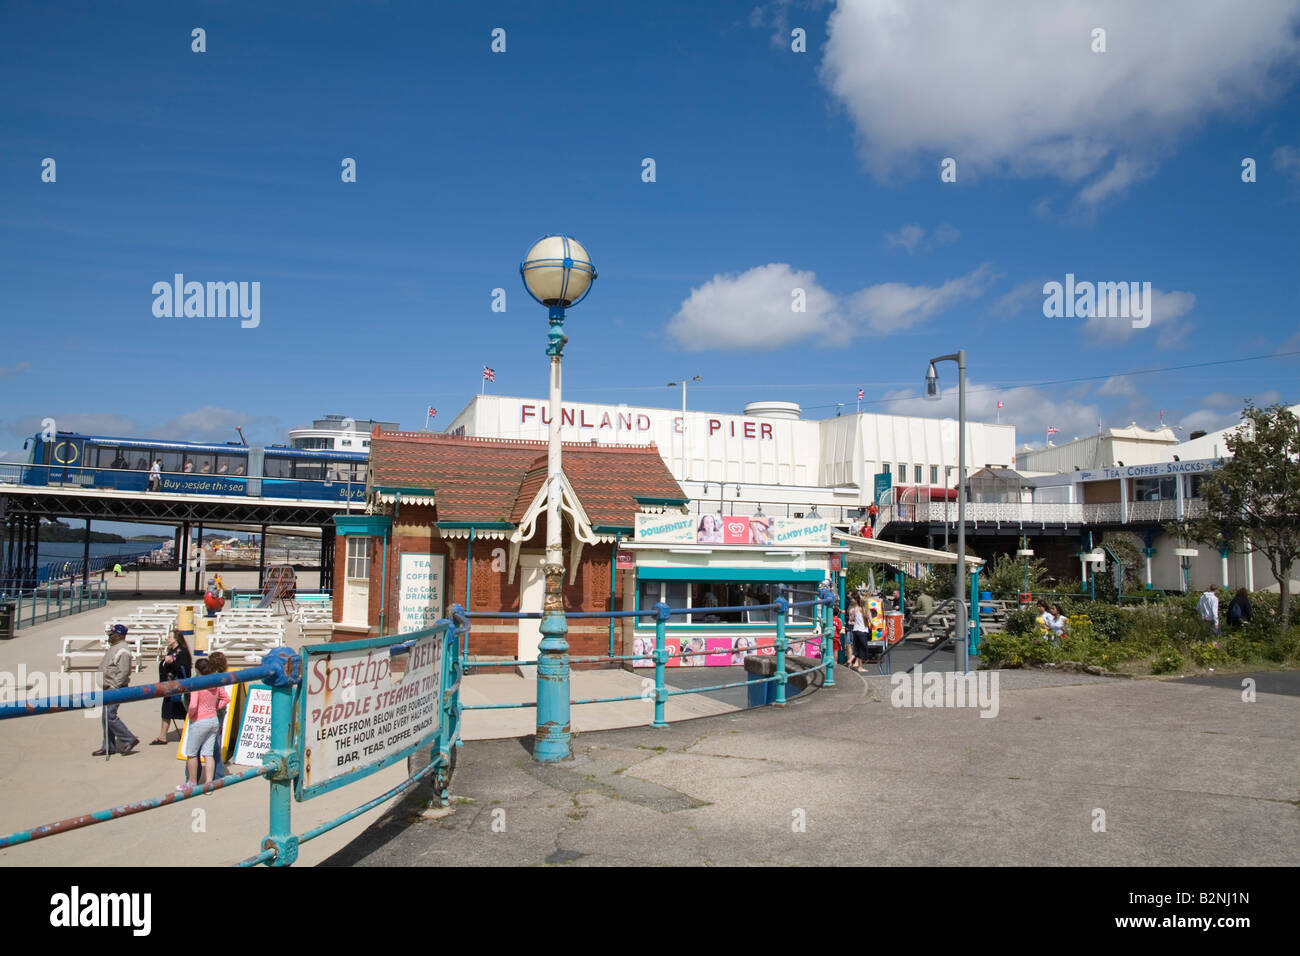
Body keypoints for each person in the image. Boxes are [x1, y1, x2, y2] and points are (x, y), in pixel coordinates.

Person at [179, 658, 229, 792]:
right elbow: (226, 698)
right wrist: (216, 707)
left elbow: (193, 704)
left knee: (192, 753)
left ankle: (192, 782)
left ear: (197, 670)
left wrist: (191, 714)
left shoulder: (197, 684)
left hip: (200, 720)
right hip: (213, 719)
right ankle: (209, 784)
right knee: (208, 754)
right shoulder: (215, 683)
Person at [93, 625, 139, 757]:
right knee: (105, 717)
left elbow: (124, 671)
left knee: (110, 716)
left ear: (119, 635)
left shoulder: (123, 650)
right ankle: (108, 746)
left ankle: (129, 739)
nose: (109, 636)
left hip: (115, 689)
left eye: (112, 634)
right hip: (108, 688)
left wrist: (115, 686)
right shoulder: (115, 647)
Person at [153, 628, 191, 744]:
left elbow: (184, 668)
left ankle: (188, 734)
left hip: (178, 687)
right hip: (168, 687)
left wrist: (172, 662)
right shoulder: (172, 651)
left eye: (170, 637)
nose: (167, 639)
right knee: (166, 711)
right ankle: (162, 736)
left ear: (176, 639)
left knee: (185, 712)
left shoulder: (182, 652)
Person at [207, 652, 231, 780]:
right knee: (216, 742)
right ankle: (218, 773)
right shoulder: (222, 677)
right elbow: (225, 699)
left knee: (211, 745)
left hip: (209, 713)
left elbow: (225, 698)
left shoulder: (211, 677)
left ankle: (217, 774)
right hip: (219, 712)